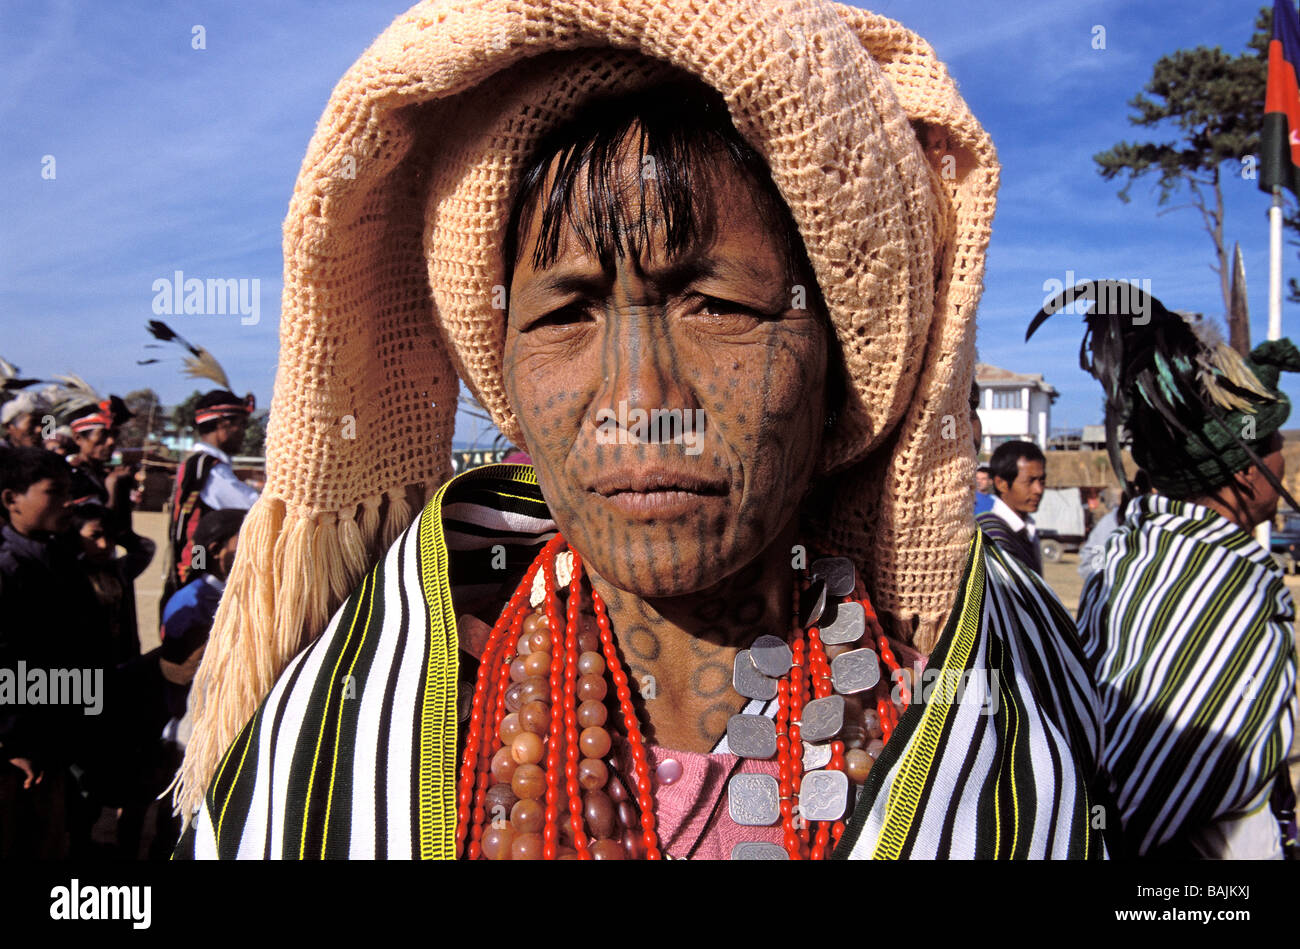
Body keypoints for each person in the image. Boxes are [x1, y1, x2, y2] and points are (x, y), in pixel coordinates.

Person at [174, 0, 1102, 860]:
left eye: (714, 303)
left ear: (840, 368)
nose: (637, 394)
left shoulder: (994, 722)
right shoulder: (351, 733)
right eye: (567, 311)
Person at [1033, 281, 1299, 858]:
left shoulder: (1146, 553)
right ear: (1249, 472)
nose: (1282, 454)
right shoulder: (1215, 589)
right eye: (1275, 441)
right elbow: (1130, 805)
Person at [0, 447, 103, 858]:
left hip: (57, 730)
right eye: (53, 492)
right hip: (19, 751)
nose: (67, 502)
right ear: (11, 500)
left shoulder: (59, 555)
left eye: (69, 492)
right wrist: (12, 743)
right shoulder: (8, 567)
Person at [162, 390, 257, 611]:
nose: (243, 433)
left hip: (194, 562)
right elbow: (254, 506)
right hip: (199, 566)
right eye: (240, 425)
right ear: (223, 424)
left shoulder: (198, 464)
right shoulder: (209, 468)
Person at [975, 440, 1047, 575]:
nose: (1038, 490)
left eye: (1042, 481)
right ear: (1001, 483)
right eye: (1029, 481)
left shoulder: (1027, 530)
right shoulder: (991, 534)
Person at [66, 397, 134, 528]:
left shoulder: (106, 475)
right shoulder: (67, 475)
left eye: (114, 435)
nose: (111, 442)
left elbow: (123, 531)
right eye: (104, 434)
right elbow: (97, 528)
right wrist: (112, 487)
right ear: (78, 438)